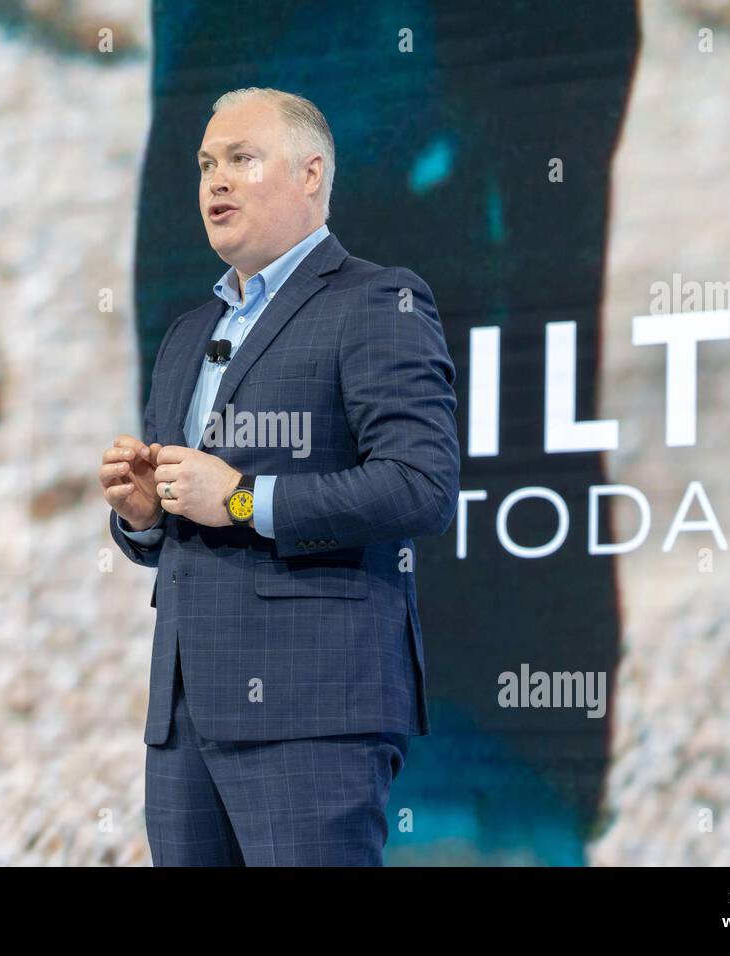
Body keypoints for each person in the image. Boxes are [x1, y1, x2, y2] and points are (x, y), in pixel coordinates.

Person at [100, 87, 460, 865]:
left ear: (310, 174)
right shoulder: (188, 333)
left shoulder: (375, 301)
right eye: (205, 165)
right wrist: (142, 516)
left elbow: (421, 484)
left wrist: (238, 498)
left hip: (313, 706)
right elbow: (176, 528)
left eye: (241, 158)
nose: (215, 181)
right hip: (186, 712)